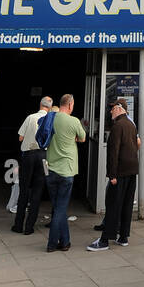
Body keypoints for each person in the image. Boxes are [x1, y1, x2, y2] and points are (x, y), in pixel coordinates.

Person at [87, 98, 140, 250]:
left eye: (112, 108)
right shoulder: (131, 124)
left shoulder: (118, 126)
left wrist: (112, 175)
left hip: (120, 172)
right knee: (126, 205)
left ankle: (104, 240)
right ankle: (123, 237)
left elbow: (113, 152)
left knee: (113, 205)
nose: (110, 111)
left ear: (119, 108)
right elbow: (137, 144)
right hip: (132, 171)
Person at [44, 94, 86, 252]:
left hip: (51, 167)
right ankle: (51, 243)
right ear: (70, 105)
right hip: (66, 170)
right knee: (60, 209)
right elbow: (82, 138)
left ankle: (65, 241)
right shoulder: (73, 121)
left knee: (57, 207)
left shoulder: (50, 118)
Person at [11, 96, 53, 235]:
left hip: (28, 156)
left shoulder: (30, 117)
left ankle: (18, 225)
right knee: (37, 190)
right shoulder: (52, 119)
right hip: (44, 158)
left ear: (40, 105)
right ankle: (29, 227)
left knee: (24, 189)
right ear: (50, 107)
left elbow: (20, 137)